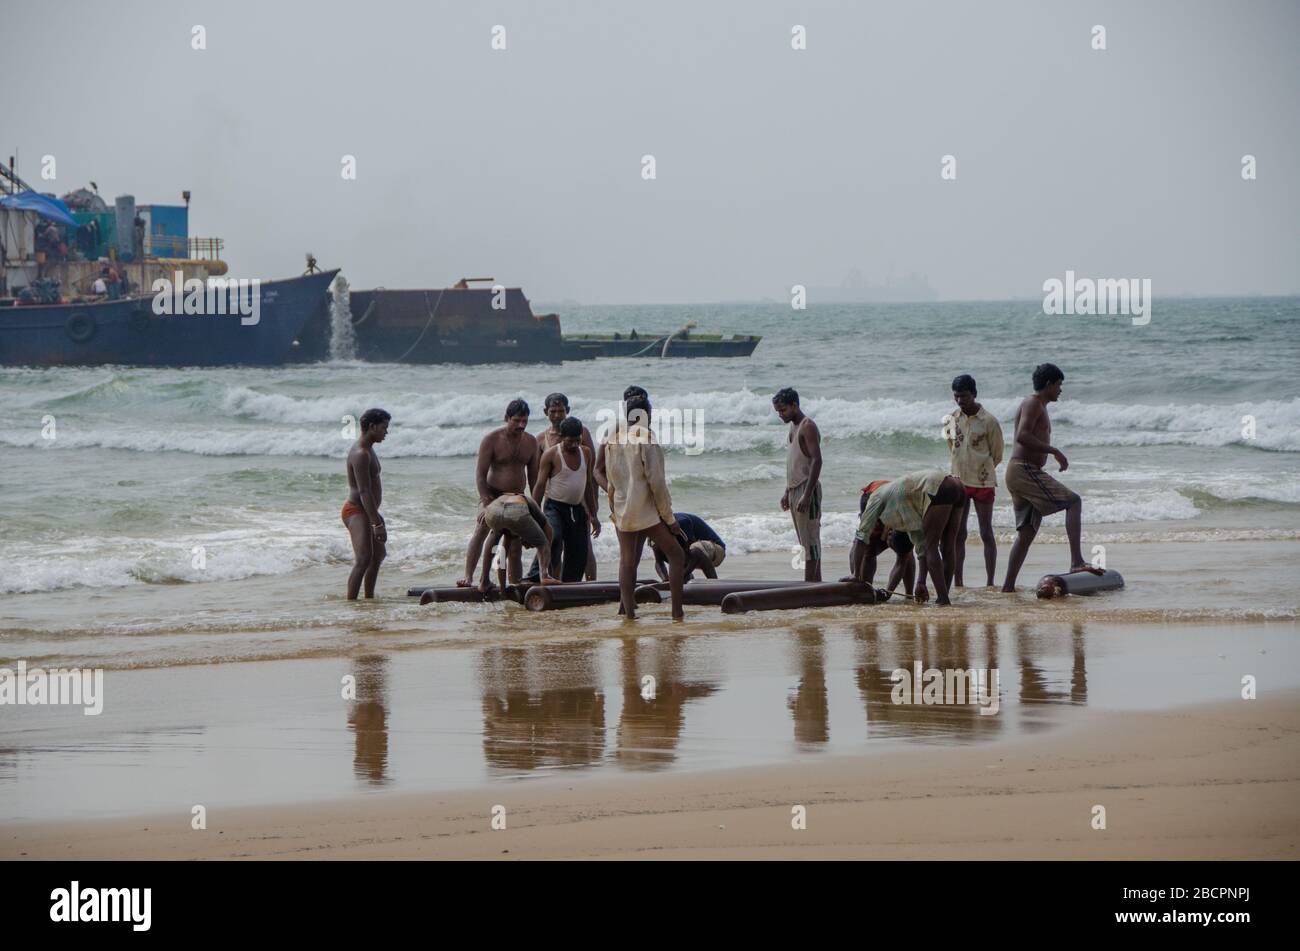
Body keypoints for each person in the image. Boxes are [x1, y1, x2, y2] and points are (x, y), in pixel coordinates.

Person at [1001, 363, 1101, 592]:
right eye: (1059, 385)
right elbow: (1022, 436)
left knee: (1026, 534)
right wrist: (1054, 451)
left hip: (1021, 471)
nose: (1060, 390)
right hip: (1024, 470)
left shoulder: (1038, 405)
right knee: (1073, 502)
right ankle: (1076, 561)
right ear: (1048, 384)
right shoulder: (1033, 403)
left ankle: (1007, 587)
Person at [603, 394, 685, 619]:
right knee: (676, 555)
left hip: (622, 508)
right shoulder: (646, 438)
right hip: (646, 510)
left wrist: (614, 509)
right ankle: (677, 612)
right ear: (645, 414)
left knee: (627, 562)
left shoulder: (613, 439)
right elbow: (656, 483)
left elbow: (611, 481)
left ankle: (629, 614)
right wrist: (669, 518)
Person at [850, 469, 965, 605]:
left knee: (932, 547)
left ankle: (943, 599)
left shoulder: (874, 498)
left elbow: (860, 538)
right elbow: (921, 550)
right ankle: (944, 596)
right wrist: (921, 582)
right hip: (958, 485)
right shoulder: (904, 510)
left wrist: (855, 576)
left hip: (937, 485)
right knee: (948, 546)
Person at [459, 399, 540, 587]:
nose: (521, 425)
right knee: (482, 531)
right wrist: (486, 503)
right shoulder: (491, 439)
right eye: (517, 420)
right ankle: (470, 576)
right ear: (507, 418)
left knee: (514, 543)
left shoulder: (530, 442)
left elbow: (535, 478)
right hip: (493, 495)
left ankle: (514, 582)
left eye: (524, 421)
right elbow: (480, 474)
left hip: (517, 498)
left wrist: (535, 507)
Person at [946, 374, 1004, 587]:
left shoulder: (989, 421)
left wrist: (981, 469)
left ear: (974, 394)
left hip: (982, 482)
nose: (960, 400)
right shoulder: (951, 419)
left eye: (964, 396)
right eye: (957, 396)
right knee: (958, 533)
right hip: (958, 481)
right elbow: (952, 447)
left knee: (985, 531)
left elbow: (997, 454)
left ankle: (990, 582)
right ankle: (958, 582)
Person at [531, 416, 600, 582]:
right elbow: (539, 486)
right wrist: (534, 513)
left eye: (578, 440)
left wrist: (593, 514)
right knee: (554, 537)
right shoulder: (551, 455)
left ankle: (570, 584)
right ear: (562, 437)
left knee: (579, 551)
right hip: (554, 507)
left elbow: (588, 485)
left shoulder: (586, 452)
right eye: (570, 441)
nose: (575, 445)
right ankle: (535, 577)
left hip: (576, 509)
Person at [772, 388, 823, 581]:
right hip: (795, 489)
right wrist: (787, 491)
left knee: (810, 544)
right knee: (805, 543)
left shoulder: (807, 426)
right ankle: (815, 585)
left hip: (806, 489)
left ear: (795, 405)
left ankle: (810, 587)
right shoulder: (793, 427)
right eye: (778, 411)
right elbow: (796, 463)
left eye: (783, 410)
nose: (780, 415)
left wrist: (807, 495)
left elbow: (817, 461)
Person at [342, 408, 391, 600]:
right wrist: (376, 523)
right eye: (384, 428)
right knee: (363, 559)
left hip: (367, 511)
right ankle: (351, 603)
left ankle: (369, 598)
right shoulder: (361, 453)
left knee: (377, 556)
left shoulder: (369, 449)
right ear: (372, 427)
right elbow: (364, 491)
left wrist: (376, 517)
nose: (386, 432)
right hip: (355, 511)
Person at [474, 493, 556, 593]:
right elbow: (548, 538)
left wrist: (503, 592)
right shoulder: (536, 517)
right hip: (515, 510)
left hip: (493, 511)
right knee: (542, 544)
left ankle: (484, 583)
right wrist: (546, 569)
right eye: (528, 545)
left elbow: (502, 560)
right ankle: (545, 577)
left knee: (499, 550)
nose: (526, 547)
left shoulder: (511, 530)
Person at [849, 482, 916, 598]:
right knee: (868, 550)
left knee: (906, 551)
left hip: (896, 501)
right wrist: (856, 576)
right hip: (874, 494)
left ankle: (909, 594)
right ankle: (866, 587)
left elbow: (903, 558)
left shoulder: (902, 519)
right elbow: (858, 544)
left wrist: (888, 593)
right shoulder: (869, 518)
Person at [650, 512, 726, 581]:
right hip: (692, 554)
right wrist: (666, 580)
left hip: (717, 551)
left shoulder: (681, 522)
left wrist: (680, 576)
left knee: (696, 550)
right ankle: (686, 579)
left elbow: (695, 554)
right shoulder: (654, 531)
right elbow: (659, 562)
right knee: (662, 551)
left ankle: (713, 583)